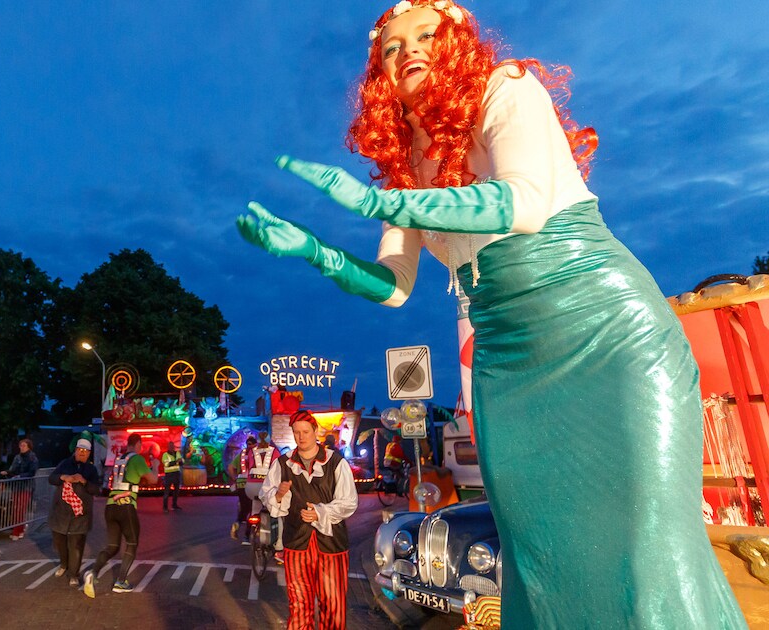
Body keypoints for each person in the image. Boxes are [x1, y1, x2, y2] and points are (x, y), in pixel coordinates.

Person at [235, 1, 745, 626]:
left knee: (647, 547)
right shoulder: (405, 171)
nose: (409, 51)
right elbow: (394, 286)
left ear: (455, 42)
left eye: (425, 35)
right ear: (379, 77)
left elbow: (525, 202)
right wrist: (315, 251)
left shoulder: (507, 88)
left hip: (604, 330)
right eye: (391, 48)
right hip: (508, 359)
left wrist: (376, 200)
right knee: (540, 558)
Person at [261, 410, 358, 630]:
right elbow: (266, 495)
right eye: (296, 432)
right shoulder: (283, 464)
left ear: (316, 431)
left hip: (331, 543)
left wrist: (320, 513)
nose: (301, 437)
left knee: (332, 604)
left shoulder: (336, 462)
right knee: (298, 603)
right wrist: (277, 495)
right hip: (296, 542)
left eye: (305, 431)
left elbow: (349, 501)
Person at [82, 433, 150, 598]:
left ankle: (93, 572)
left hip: (111, 505)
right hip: (126, 505)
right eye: (141, 445)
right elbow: (153, 479)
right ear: (138, 444)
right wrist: (154, 465)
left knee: (112, 546)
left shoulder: (119, 459)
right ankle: (121, 582)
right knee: (132, 543)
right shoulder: (137, 459)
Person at [48, 438, 103, 589]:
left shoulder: (91, 470)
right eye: (80, 450)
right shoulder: (65, 464)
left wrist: (84, 482)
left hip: (80, 515)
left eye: (85, 451)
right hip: (61, 512)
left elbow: (97, 489)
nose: (82, 453)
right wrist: (63, 477)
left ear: (89, 453)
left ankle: (74, 573)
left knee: (76, 545)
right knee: (59, 542)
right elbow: (51, 478)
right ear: (76, 450)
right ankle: (64, 564)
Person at [0, 438, 40, 540]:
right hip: (16, 486)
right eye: (20, 445)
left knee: (20, 509)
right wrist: (8, 472)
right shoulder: (17, 457)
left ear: (29, 447)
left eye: (24, 446)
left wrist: (20, 476)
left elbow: (32, 472)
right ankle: (20, 529)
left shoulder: (32, 458)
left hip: (26, 486)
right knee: (16, 508)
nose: (21, 447)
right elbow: (13, 469)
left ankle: (17, 531)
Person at [228, 435, 256, 542]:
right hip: (254, 484)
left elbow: (231, 467)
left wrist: (235, 478)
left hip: (241, 484)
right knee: (253, 510)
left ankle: (237, 523)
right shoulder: (257, 455)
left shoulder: (242, 454)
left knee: (244, 508)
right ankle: (246, 536)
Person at [160, 439, 184, 512]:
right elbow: (167, 464)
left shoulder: (177, 453)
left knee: (176, 491)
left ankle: (174, 505)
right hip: (169, 475)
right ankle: (165, 507)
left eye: (172, 446)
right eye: (170, 446)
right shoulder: (165, 455)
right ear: (168, 447)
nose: (172, 447)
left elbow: (181, 462)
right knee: (167, 492)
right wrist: (176, 461)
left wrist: (180, 462)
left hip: (176, 473)